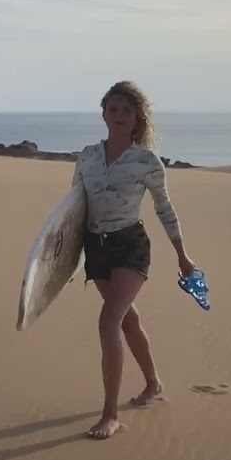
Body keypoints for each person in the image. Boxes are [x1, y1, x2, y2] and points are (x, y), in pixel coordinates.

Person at [70, 80, 197, 440]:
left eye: (127, 109)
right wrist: (66, 258)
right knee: (127, 321)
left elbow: (164, 208)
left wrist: (182, 255)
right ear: (104, 114)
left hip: (129, 246)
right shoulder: (88, 156)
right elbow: (73, 206)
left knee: (109, 321)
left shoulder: (147, 161)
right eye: (113, 109)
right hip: (96, 246)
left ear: (138, 116)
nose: (119, 115)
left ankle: (109, 415)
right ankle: (153, 382)